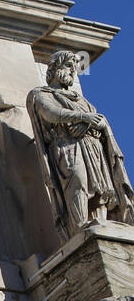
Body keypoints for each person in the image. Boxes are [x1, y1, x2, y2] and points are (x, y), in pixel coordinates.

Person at [27, 50, 134, 238]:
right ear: (54, 68)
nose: (72, 72)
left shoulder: (81, 100)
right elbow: (51, 114)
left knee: (101, 188)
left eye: (74, 68)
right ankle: (79, 227)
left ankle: (101, 223)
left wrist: (94, 123)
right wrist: (83, 118)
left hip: (93, 146)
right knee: (77, 180)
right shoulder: (40, 94)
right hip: (66, 146)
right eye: (68, 66)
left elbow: (99, 120)